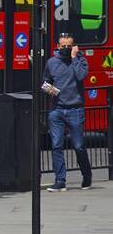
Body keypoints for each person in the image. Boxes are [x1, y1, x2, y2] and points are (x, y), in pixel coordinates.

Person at [44, 32, 92, 192]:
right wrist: (50, 90)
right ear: (58, 46)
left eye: (69, 46)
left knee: (78, 146)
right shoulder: (51, 62)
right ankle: (60, 180)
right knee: (56, 145)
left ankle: (87, 176)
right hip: (56, 110)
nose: (65, 48)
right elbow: (44, 82)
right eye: (63, 46)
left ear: (74, 46)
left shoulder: (80, 60)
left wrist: (74, 57)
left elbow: (81, 76)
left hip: (75, 109)